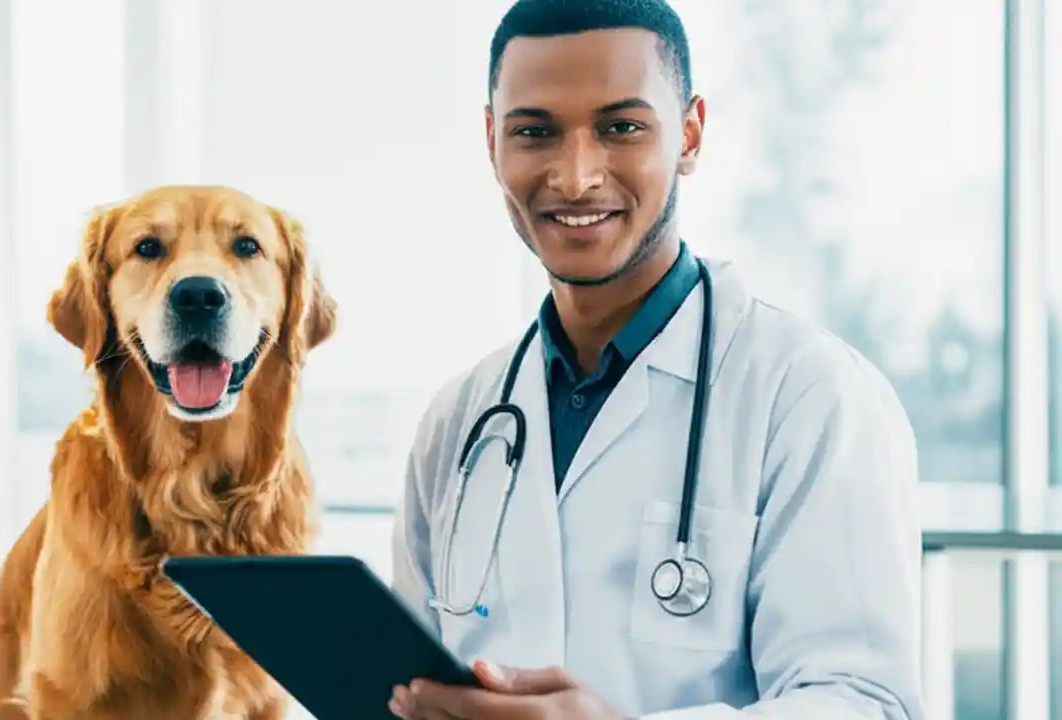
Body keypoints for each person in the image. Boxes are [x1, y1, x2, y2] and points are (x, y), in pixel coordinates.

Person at [386, 0, 926, 718]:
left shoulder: (810, 396)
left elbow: (867, 702)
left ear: (690, 135)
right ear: (492, 141)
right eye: (534, 132)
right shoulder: (461, 420)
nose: (575, 177)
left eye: (621, 128)